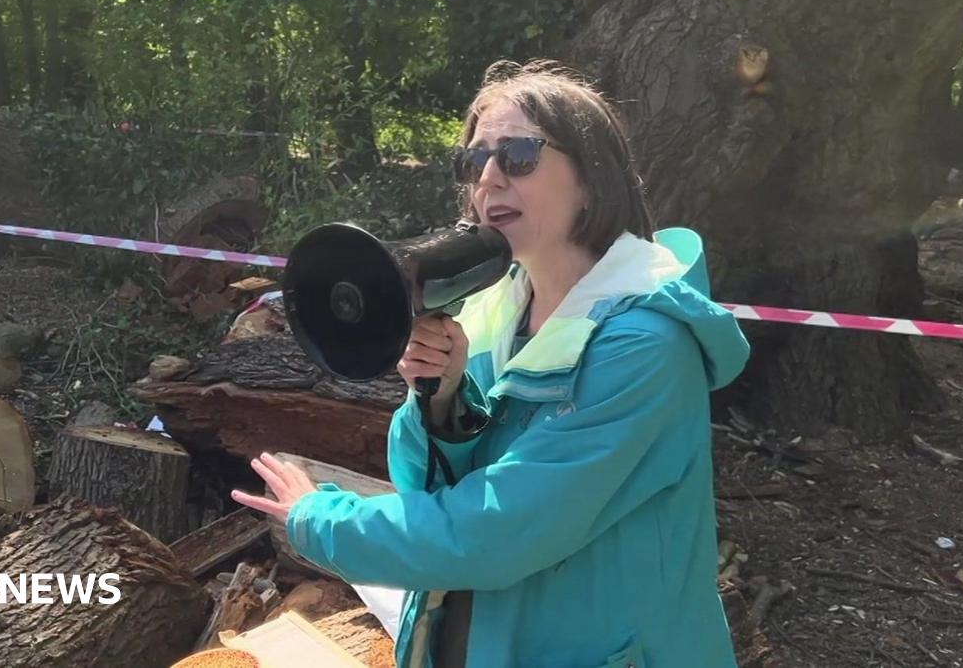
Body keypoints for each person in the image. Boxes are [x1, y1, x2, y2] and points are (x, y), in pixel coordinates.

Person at [232, 59, 750, 668]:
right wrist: (443, 402)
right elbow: (422, 482)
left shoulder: (646, 346)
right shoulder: (497, 309)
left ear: (593, 179)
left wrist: (321, 521)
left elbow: (499, 532)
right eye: (474, 159)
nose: (488, 177)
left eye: (519, 155)